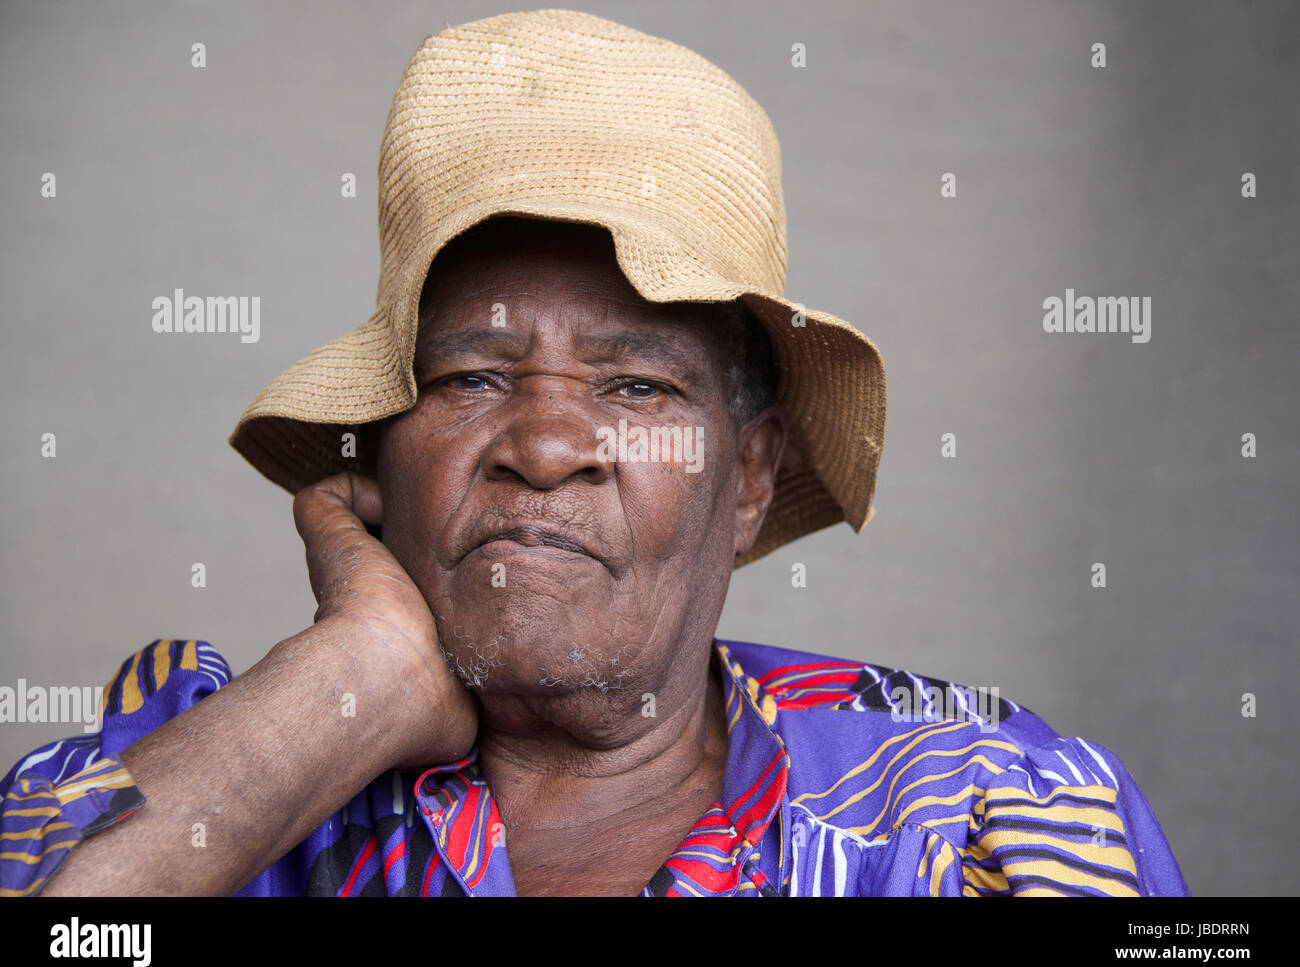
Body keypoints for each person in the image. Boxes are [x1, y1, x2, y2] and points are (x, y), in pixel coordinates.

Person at [1, 10, 1188, 897]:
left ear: (751, 478)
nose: (548, 443)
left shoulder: (980, 813)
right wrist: (346, 684)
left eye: (635, 386)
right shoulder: (189, 759)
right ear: (377, 454)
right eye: (472, 377)